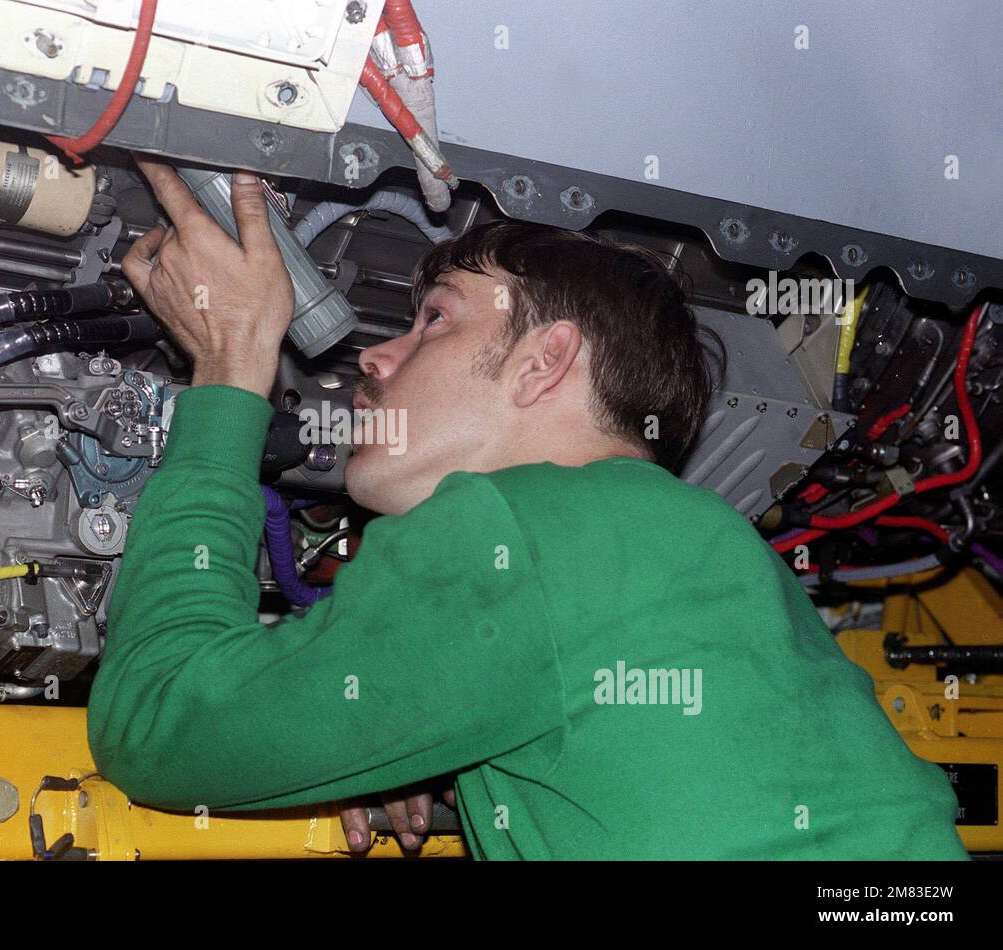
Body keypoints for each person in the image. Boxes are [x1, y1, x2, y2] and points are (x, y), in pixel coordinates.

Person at [85, 160, 968, 859]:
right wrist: (420, 742)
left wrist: (232, 367)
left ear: (544, 364)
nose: (376, 359)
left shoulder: (513, 529)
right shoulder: (707, 550)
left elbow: (158, 723)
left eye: (434, 318)